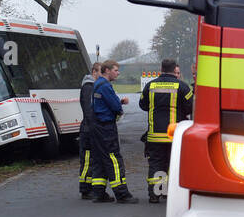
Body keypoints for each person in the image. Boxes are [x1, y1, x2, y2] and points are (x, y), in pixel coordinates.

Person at [139, 58, 193, 203]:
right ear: (174, 68)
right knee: (173, 164)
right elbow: (191, 107)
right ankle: (168, 193)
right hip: (174, 135)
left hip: (154, 135)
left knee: (157, 163)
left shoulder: (150, 86)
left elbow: (143, 105)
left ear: (161, 68)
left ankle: (155, 194)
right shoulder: (182, 86)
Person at [90, 59, 136, 203]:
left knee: (99, 159)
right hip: (106, 127)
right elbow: (115, 106)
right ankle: (122, 194)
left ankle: (98, 192)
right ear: (107, 70)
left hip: (96, 126)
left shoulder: (97, 84)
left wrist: (117, 103)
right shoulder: (105, 86)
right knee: (114, 159)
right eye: (116, 70)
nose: (118, 73)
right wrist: (120, 105)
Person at [77, 62, 103, 199]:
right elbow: (88, 110)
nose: (102, 75)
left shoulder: (93, 86)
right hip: (88, 129)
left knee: (92, 159)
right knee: (87, 160)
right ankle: (85, 189)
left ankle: (90, 187)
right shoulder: (88, 87)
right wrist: (93, 126)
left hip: (91, 127)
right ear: (94, 72)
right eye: (101, 72)